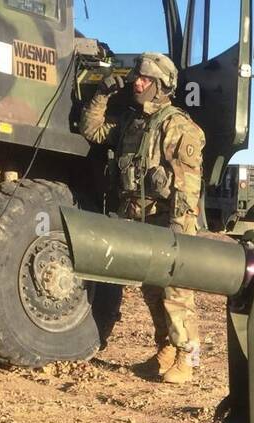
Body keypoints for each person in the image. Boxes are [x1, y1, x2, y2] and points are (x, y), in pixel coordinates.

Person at [81, 52, 205, 384]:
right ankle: (166, 349)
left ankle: (187, 357)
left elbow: (187, 184)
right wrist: (103, 93)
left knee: (176, 291)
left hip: (168, 221)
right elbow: (92, 130)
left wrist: (178, 231)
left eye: (146, 79)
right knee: (152, 289)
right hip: (142, 220)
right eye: (138, 77)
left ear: (161, 86)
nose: (138, 82)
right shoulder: (133, 123)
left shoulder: (176, 125)